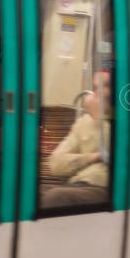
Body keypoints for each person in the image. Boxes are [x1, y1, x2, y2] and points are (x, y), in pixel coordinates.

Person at [42, 70, 111, 208]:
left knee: (55, 197)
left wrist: (99, 118)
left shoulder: (128, 119)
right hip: (77, 184)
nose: (99, 93)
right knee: (26, 194)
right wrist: (92, 157)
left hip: (103, 188)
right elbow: (56, 163)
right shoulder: (84, 122)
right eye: (96, 87)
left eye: (107, 86)